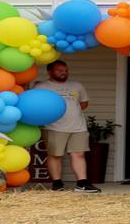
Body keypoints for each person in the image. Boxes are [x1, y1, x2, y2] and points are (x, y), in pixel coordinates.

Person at [32, 61, 95, 192]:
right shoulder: (41, 87)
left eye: (65, 70)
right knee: (55, 155)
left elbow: (84, 104)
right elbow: (34, 106)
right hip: (54, 126)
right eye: (59, 70)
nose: (63, 72)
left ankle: (82, 183)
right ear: (50, 72)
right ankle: (57, 183)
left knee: (79, 154)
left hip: (78, 127)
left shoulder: (77, 85)